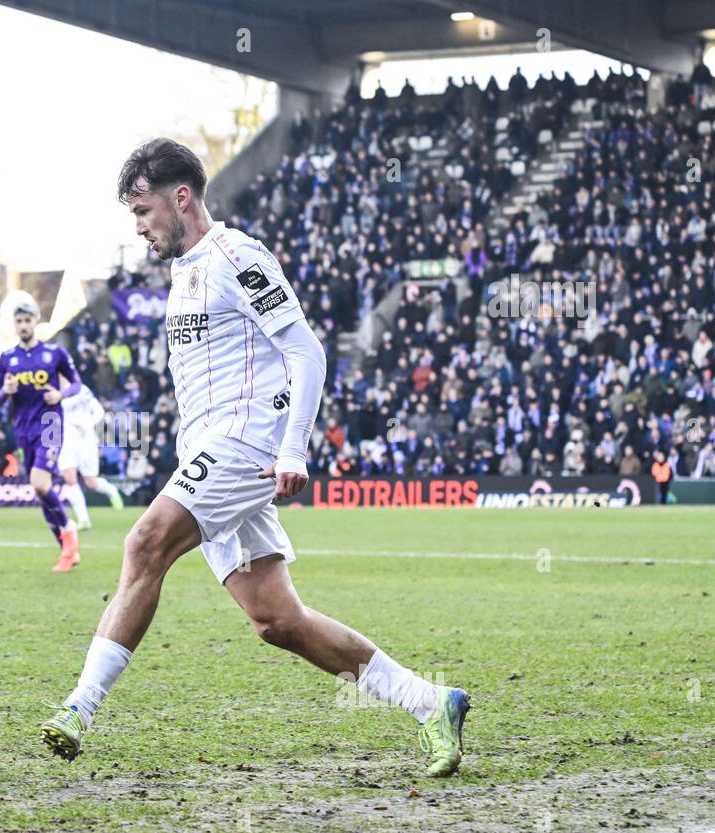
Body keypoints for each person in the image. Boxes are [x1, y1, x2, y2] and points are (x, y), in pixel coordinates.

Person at [40, 140, 471, 777]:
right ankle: (432, 701)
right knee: (276, 620)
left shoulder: (235, 256)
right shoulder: (185, 273)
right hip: (209, 448)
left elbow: (308, 353)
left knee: (145, 542)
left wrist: (292, 446)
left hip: (244, 446)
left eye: (142, 208)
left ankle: (80, 708)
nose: (138, 226)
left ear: (180, 197)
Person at [0, 291, 83, 572]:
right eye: (18, 320)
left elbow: (77, 384)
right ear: (14, 323)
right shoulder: (7, 358)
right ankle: (66, 548)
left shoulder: (54, 353)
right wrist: (5, 392)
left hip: (50, 425)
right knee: (39, 490)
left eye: (27, 319)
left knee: (40, 483)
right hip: (23, 429)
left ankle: (69, 533)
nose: (23, 325)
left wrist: (60, 394)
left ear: (36, 321)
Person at [58, 383, 123, 529]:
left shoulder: (81, 389)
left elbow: (99, 411)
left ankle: (111, 491)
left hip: (86, 442)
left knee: (91, 482)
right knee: (70, 479)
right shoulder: (53, 390)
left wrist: (86, 424)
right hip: (66, 442)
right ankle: (84, 519)